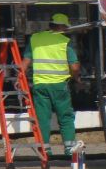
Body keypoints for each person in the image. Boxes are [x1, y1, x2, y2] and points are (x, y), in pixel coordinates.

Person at [20, 12, 80, 155]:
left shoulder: (35, 39)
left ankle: (44, 149)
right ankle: (69, 148)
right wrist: (76, 78)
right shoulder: (65, 41)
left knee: (42, 118)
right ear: (63, 27)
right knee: (65, 117)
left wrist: (19, 79)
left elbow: (25, 63)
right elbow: (75, 67)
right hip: (59, 86)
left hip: (40, 85)